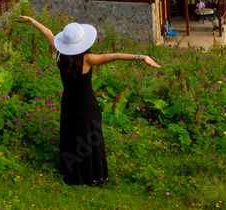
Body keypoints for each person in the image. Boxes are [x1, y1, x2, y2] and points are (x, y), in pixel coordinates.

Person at [20, 15, 161, 186]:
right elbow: (115, 55)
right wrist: (141, 57)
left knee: (72, 137)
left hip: (69, 105)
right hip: (87, 106)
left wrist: (31, 20)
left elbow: (47, 32)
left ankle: (73, 175)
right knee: (90, 140)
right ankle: (94, 175)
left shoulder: (59, 54)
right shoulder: (87, 59)